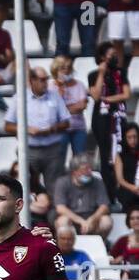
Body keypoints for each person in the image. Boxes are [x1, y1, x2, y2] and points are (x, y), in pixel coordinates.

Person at [4, 67, 70, 189]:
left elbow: (66, 122)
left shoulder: (55, 96)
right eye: (42, 80)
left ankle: (55, 208)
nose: (45, 83)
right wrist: (26, 129)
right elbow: (8, 126)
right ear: (32, 81)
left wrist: (52, 128)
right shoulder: (19, 98)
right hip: (29, 150)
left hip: (52, 149)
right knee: (27, 186)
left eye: (46, 79)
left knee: (55, 187)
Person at [87, 41, 131, 199]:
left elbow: (126, 94)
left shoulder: (121, 72)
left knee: (121, 153)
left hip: (119, 118)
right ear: (102, 57)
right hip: (101, 120)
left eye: (115, 55)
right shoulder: (93, 75)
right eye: (111, 55)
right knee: (107, 156)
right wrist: (101, 74)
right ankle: (109, 194)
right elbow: (96, 95)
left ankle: (123, 190)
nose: (114, 58)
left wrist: (108, 99)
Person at [53, 154, 113, 238]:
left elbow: (104, 207)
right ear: (74, 172)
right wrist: (81, 221)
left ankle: (100, 243)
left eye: (90, 168)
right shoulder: (62, 182)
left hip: (92, 219)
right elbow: (60, 208)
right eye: (85, 169)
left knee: (106, 221)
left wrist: (91, 220)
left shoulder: (97, 182)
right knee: (62, 221)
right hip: (72, 219)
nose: (89, 172)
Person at [50, 55, 90, 157]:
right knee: (59, 158)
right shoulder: (51, 86)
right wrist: (60, 90)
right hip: (60, 129)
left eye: (69, 68)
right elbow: (54, 109)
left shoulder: (80, 85)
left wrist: (64, 108)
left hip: (78, 128)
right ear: (56, 70)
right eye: (63, 68)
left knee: (80, 158)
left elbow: (82, 106)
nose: (67, 71)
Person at [115, 123, 139, 211]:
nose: (133, 140)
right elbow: (120, 180)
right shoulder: (120, 155)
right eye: (129, 137)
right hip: (127, 189)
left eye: (135, 137)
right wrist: (133, 188)